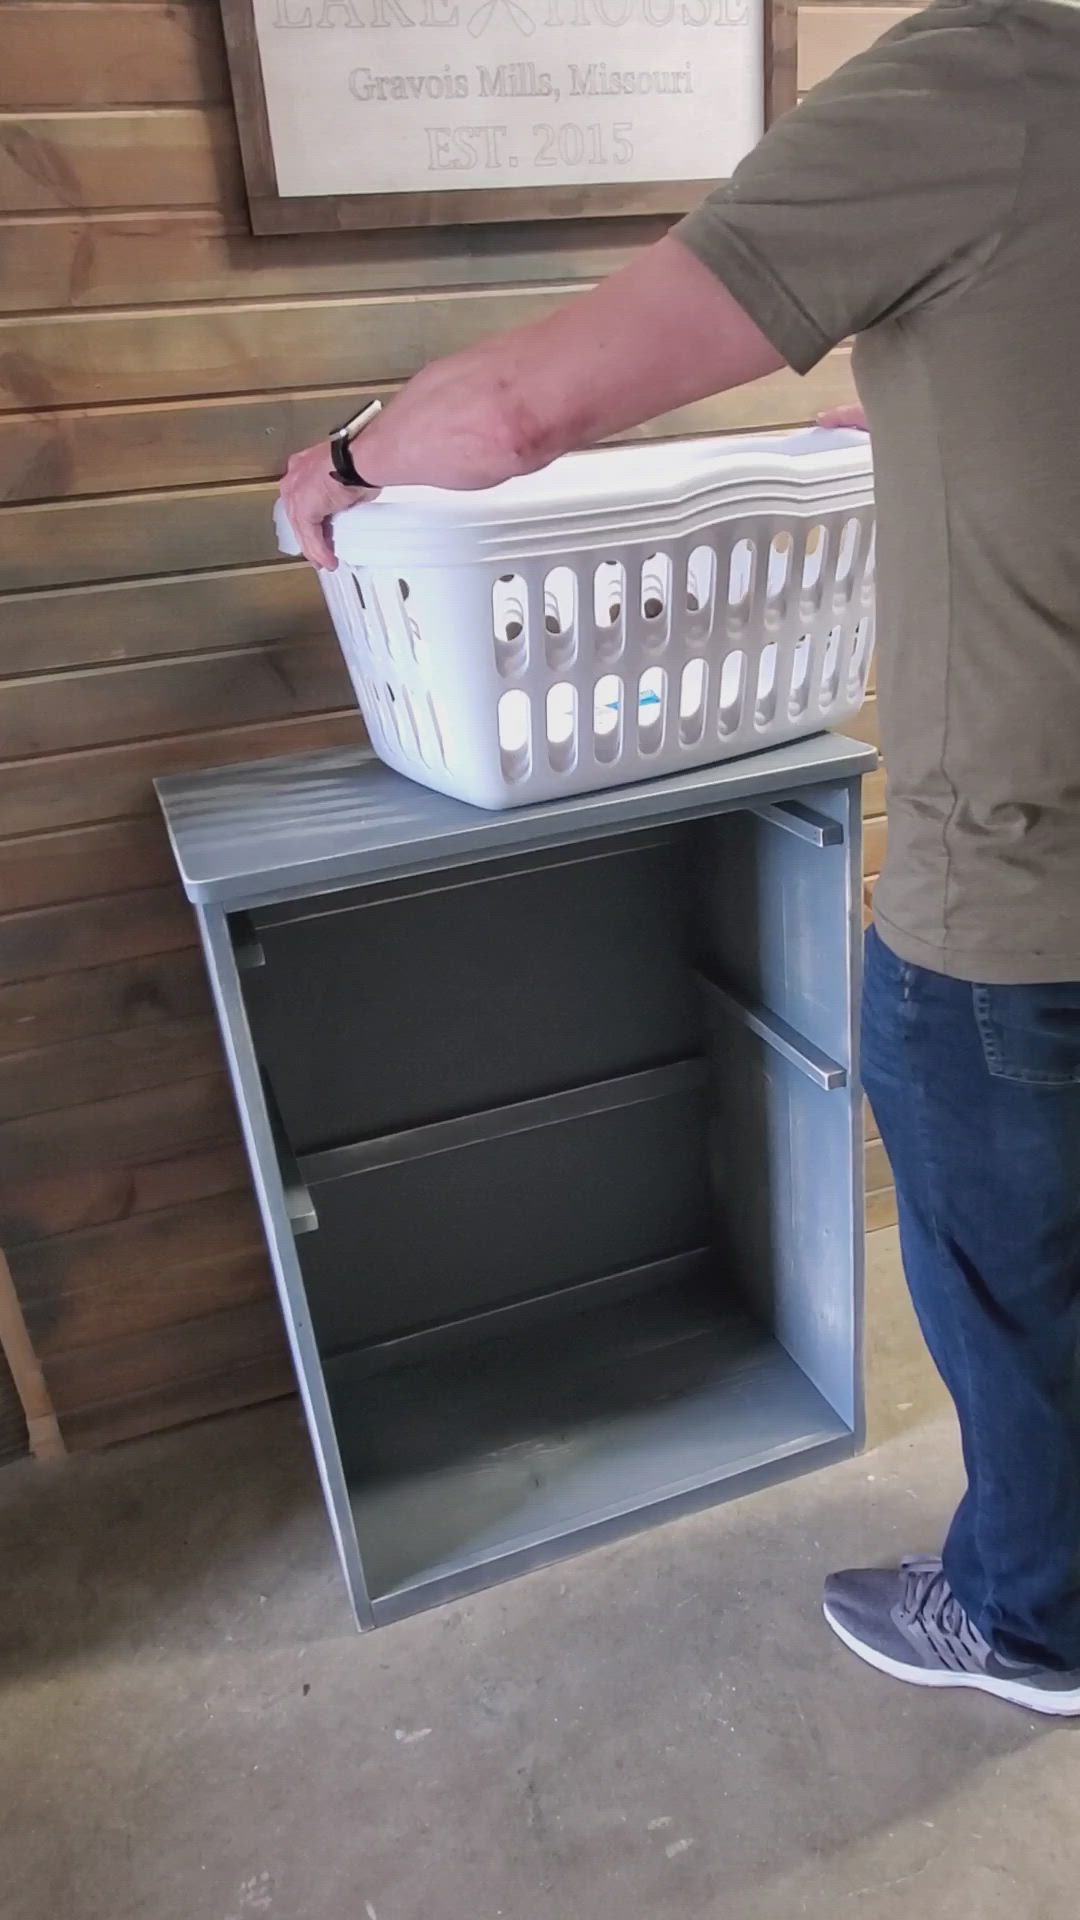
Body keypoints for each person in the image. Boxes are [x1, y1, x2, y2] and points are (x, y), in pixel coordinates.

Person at [280, 0, 1080, 1715]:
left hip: (1021, 901)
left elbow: (504, 416)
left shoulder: (991, 78)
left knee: (1020, 1307)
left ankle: (1035, 1624)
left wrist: (337, 465)